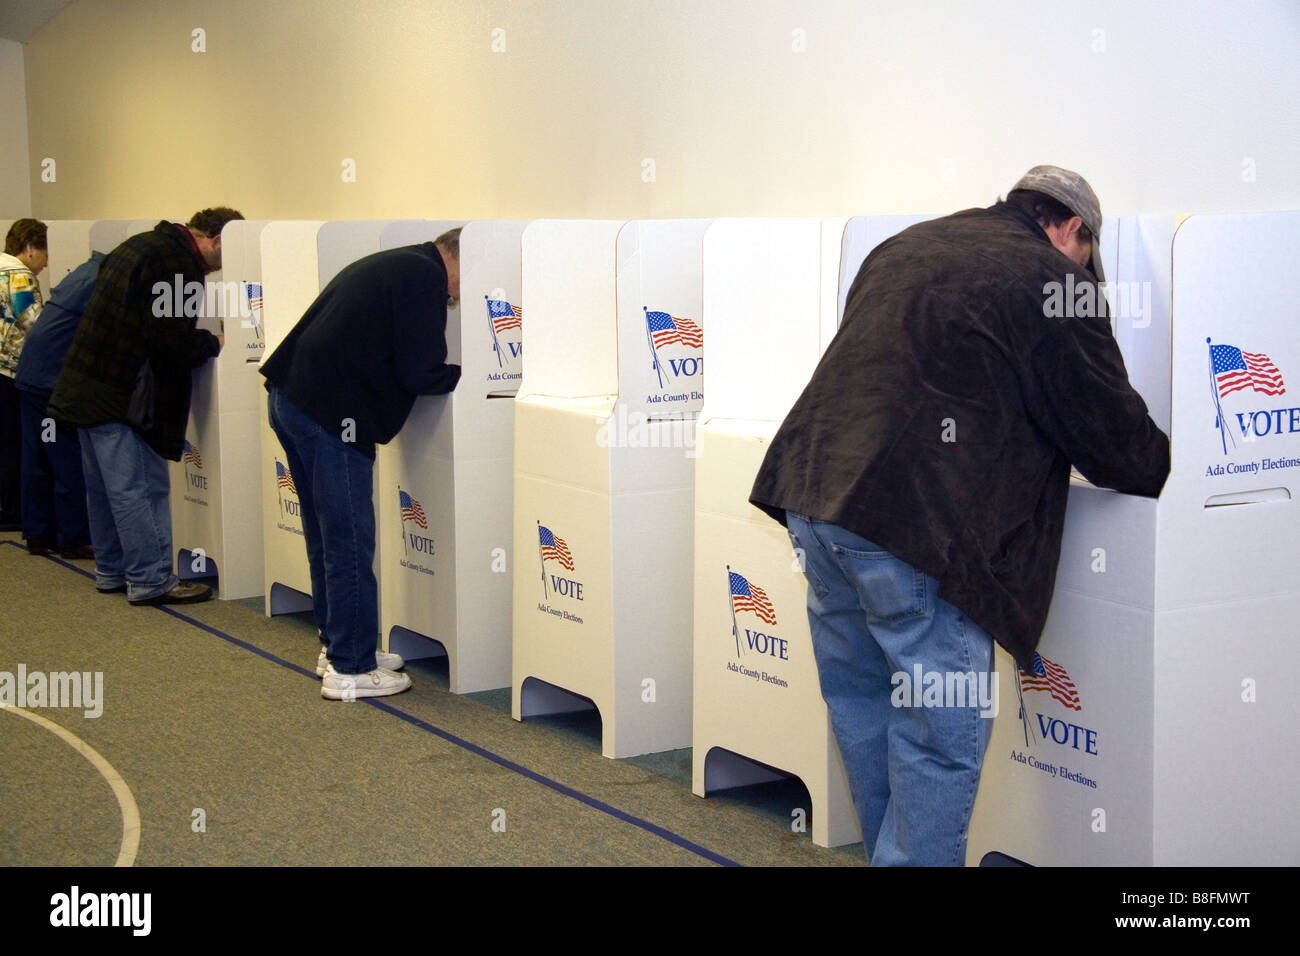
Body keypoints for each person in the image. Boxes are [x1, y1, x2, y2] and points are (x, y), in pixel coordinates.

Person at [748, 166, 1170, 866]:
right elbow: (1112, 438)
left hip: (814, 498)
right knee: (939, 739)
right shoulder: (1049, 278)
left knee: (866, 710)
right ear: (1071, 228)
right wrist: (1172, 468)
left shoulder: (910, 244)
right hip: (915, 527)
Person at [261, 229, 462, 700]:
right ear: (458, 258)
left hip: (294, 399)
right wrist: (466, 377)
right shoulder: (424, 278)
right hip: (330, 414)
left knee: (326, 536)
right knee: (350, 539)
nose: (459, 298)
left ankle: (338, 647)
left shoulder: (401, 262)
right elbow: (421, 371)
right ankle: (350, 668)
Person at [47, 207, 244, 605]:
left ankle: (112, 571)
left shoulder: (138, 245)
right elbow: (169, 340)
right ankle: (150, 578)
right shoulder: (177, 263)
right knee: (138, 489)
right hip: (123, 395)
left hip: (86, 386)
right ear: (217, 240)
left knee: (104, 490)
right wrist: (214, 343)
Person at [15, 251, 105, 558]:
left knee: (38, 456)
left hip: (31, 377)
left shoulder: (81, 273)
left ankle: (39, 534)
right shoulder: (101, 282)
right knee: (66, 458)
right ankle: (75, 537)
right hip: (51, 384)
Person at [1, 219, 49, 532]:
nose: (47, 263)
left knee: (3, 442)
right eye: (45, 253)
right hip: (11, 369)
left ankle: (7, 507)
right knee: (16, 444)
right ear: (30, 248)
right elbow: (35, 324)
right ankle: (15, 511)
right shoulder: (18, 274)